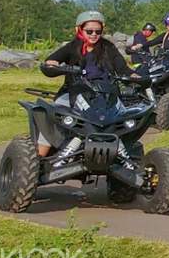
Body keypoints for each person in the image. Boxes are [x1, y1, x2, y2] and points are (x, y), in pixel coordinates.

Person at [36, 11, 136, 156]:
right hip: (74, 93)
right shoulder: (72, 47)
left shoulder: (109, 48)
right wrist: (53, 64)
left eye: (98, 31)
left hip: (106, 95)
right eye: (89, 31)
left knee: (126, 120)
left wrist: (137, 77)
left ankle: (127, 159)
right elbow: (51, 61)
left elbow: (123, 69)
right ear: (79, 30)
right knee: (51, 116)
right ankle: (39, 160)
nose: (94, 34)